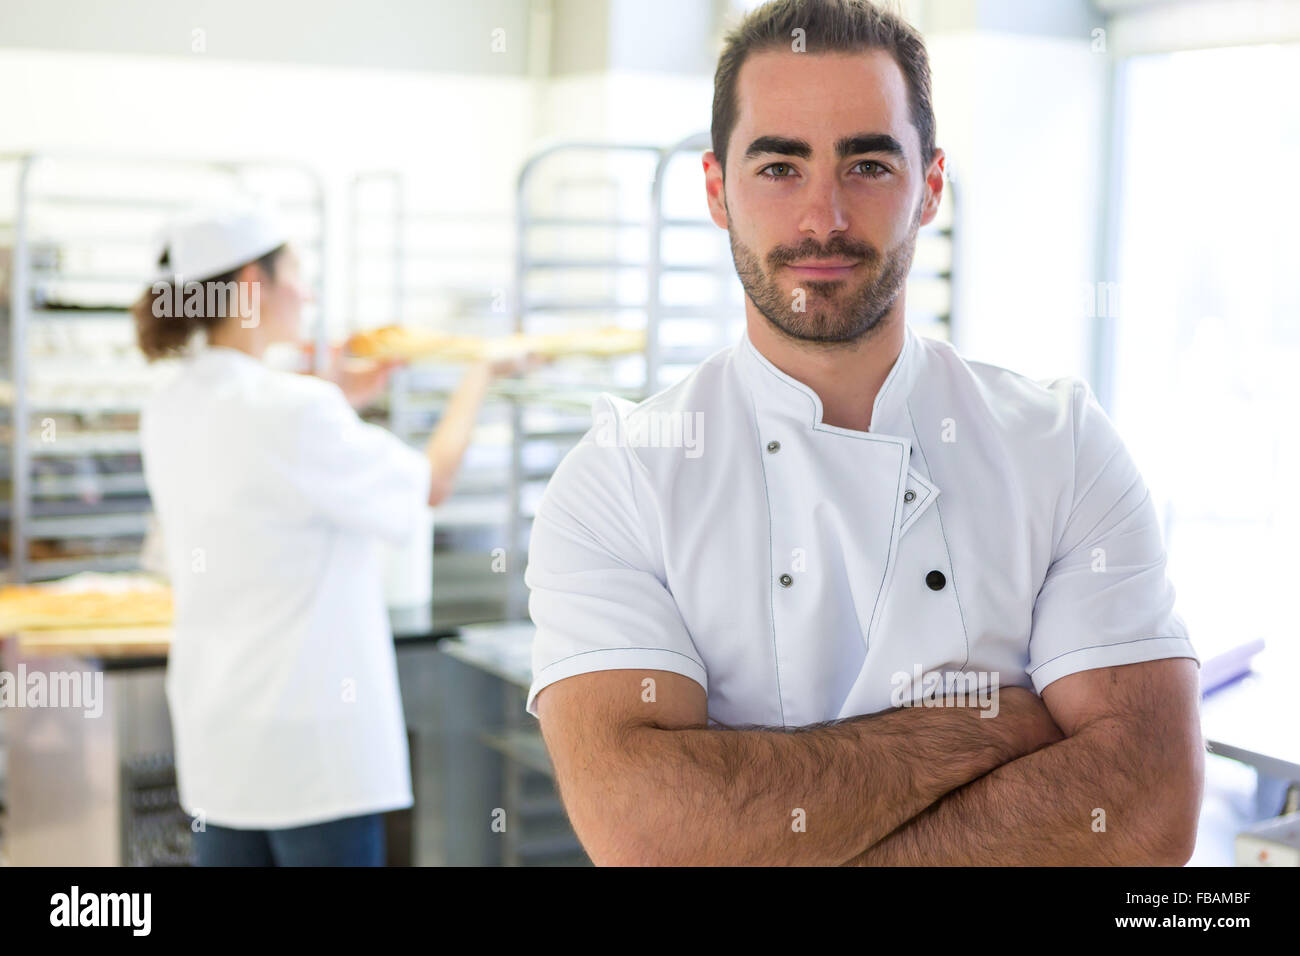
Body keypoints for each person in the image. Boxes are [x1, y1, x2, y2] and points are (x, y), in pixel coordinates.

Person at [526, 0, 1203, 866]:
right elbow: (647, 831)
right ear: (714, 190)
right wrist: (983, 727)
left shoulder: (1060, 446)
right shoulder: (621, 478)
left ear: (929, 187)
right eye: (779, 166)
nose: (823, 219)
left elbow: (1144, 811)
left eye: (869, 165)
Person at [133, 203, 532, 866]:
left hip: (219, 737)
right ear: (253, 287)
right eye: (296, 273)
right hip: (310, 750)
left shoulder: (171, 402)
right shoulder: (294, 409)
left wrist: (335, 393)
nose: (308, 292)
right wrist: (481, 374)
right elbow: (428, 483)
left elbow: (264, 456)